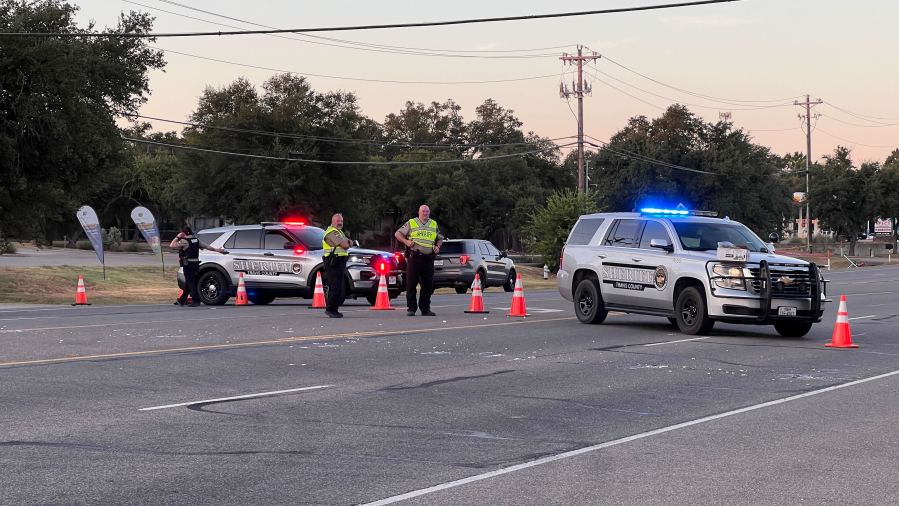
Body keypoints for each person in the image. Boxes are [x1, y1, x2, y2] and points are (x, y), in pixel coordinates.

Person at [394, 204, 444, 316]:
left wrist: (437, 247)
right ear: (419, 212)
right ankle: (411, 308)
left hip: (428, 258)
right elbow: (397, 234)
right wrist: (406, 242)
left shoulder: (433, 223)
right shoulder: (412, 223)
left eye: (427, 211)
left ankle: (425, 309)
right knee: (411, 284)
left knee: (427, 285)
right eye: (423, 211)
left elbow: (440, 238)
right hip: (415, 257)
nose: (425, 213)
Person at [169, 226, 227, 306]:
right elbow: (207, 247)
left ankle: (196, 300)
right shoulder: (196, 240)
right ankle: (182, 300)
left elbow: (171, 246)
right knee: (189, 282)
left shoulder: (184, 241)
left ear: (183, 233)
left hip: (188, 264)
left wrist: (177, 237)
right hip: (196, 264)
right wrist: (218, 250)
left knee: (191, 282)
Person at [322, 213, 352, 318]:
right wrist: (347, 242)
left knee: (338, 287)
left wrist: (347, 242)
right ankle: (331, 309)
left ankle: (334, 309)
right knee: (335, 287)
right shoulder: (331, 232)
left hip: (339, 261)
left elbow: (349, 242)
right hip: (333, 261)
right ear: (332, 221)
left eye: (341, 221)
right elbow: (345, 245)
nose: (340, 223)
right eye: (338, 221)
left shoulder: (339, 232)